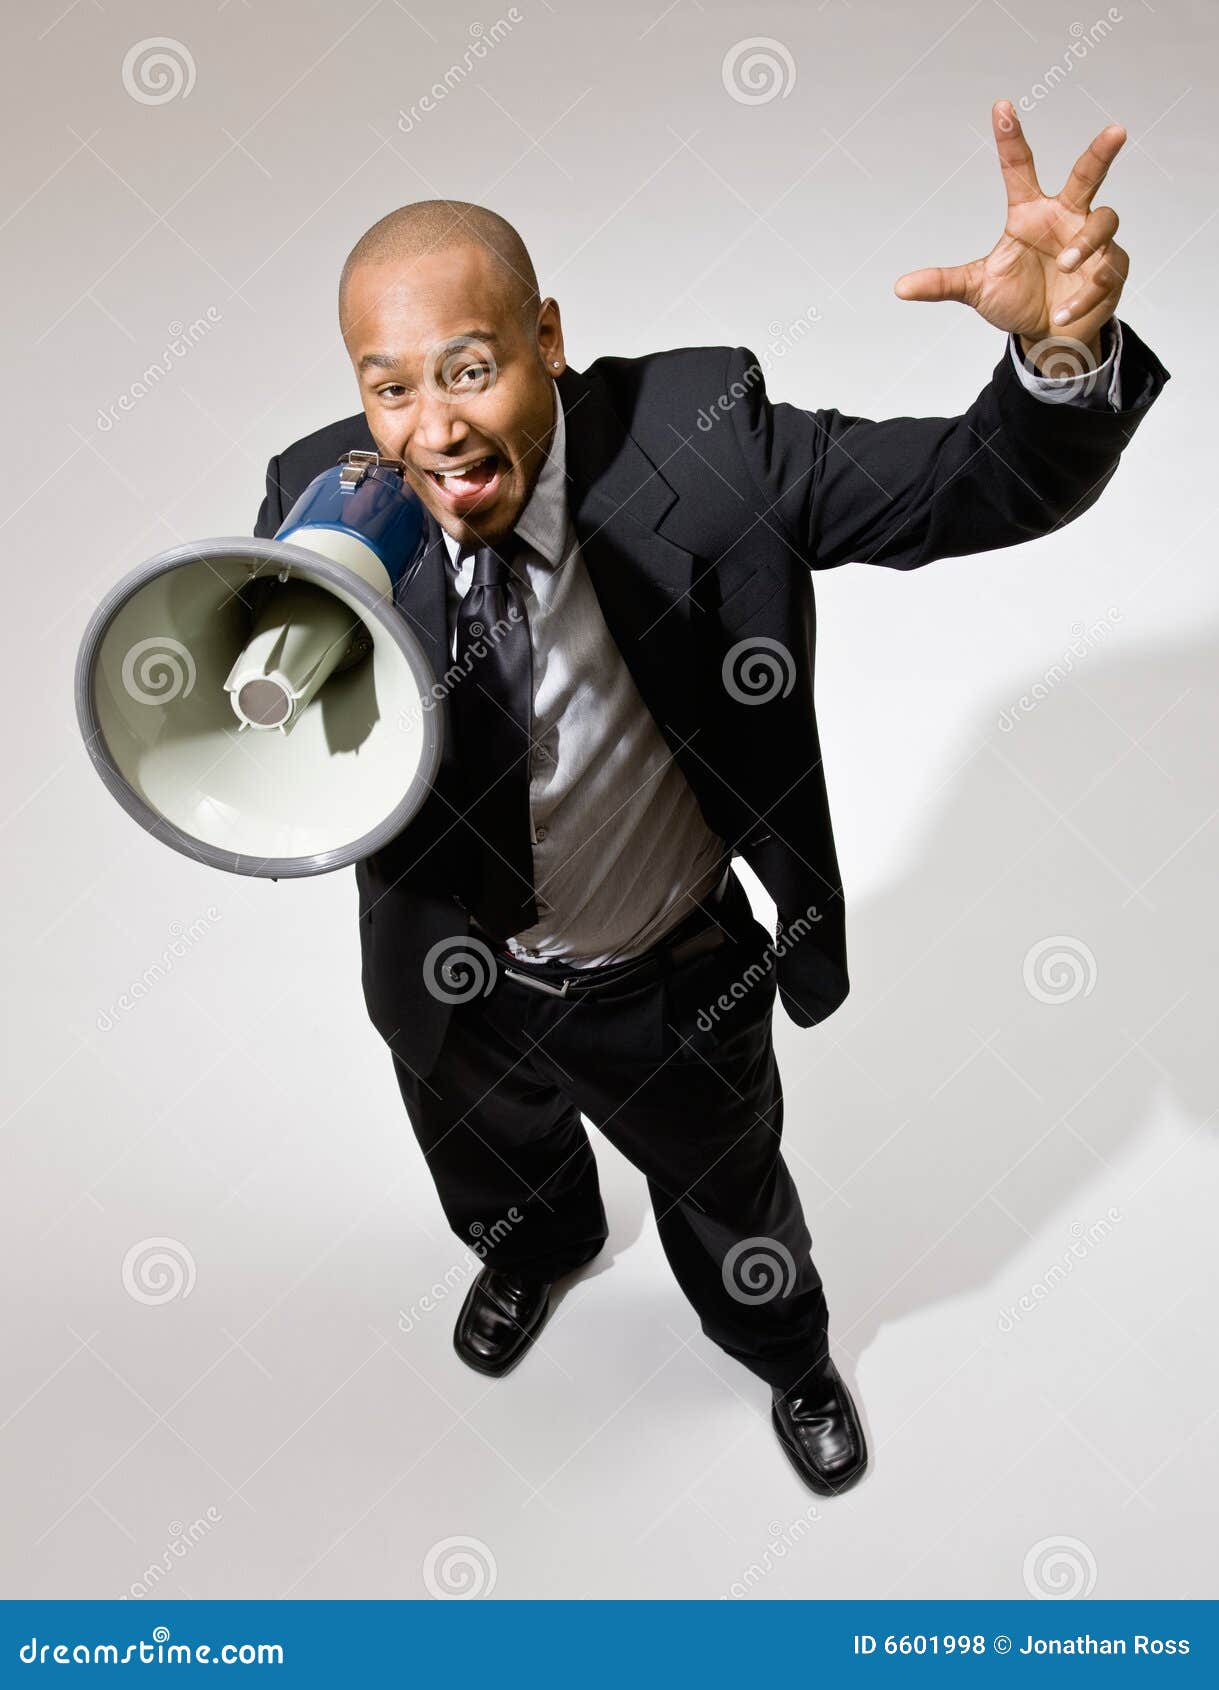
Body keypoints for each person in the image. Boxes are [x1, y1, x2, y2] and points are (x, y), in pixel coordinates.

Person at [254, 101, 1168, 1496]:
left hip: (672, 983)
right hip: (458, 976)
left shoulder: (709, 443)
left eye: (469, 369)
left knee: (731, 1194)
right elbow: (277, 733)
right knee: (491, 1162)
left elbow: (966, 493)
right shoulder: (328, 503)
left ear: (548, 339)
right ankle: (538, 1244)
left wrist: (1056, 350)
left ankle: (787, 1353)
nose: (432, 429)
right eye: (389, 388)